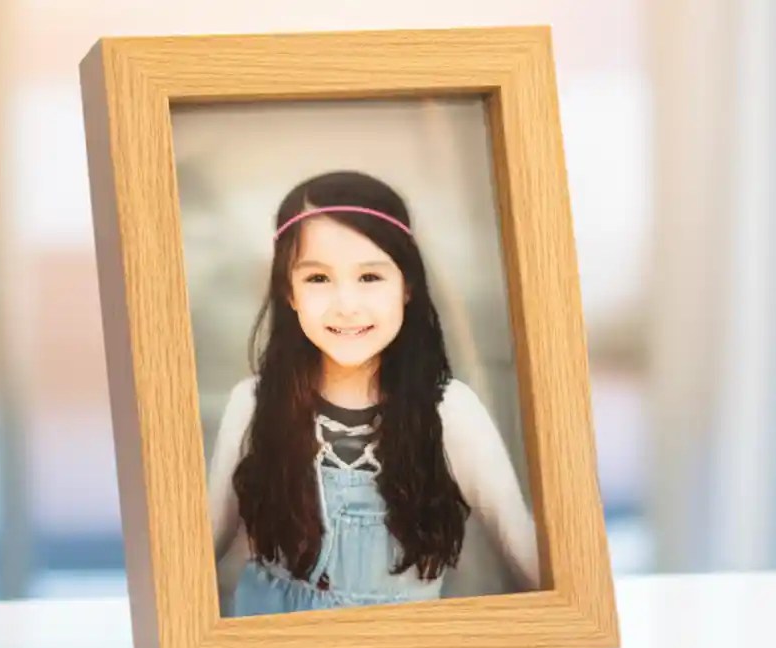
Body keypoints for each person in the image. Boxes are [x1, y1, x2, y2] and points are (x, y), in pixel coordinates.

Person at [206, 170, 540, 618]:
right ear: (288, 290)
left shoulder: (450, 413)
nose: (347, 304)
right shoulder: (251, 404)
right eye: (318, 279)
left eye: (369, 277)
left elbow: (528, 557)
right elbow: (198, 555)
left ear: (407, 286)